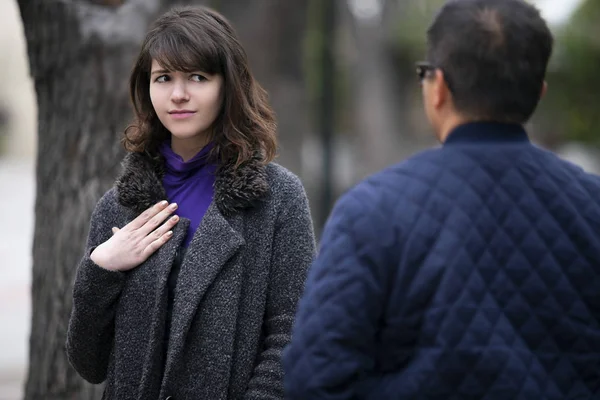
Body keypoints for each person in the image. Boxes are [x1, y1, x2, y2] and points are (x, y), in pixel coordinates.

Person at [283, 0, 600, 398]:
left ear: (439, 88)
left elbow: (314, 378)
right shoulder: (591, 205)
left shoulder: (371, 209)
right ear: (538, 93)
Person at [66, 6, 315, 400]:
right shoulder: (119, 207)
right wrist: (100, 269)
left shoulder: (277, 198)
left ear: (228, 85)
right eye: (163, 78)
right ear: (147, 88)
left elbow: (294, 333)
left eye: (198, 77)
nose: (178, 94)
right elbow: (89, 363)